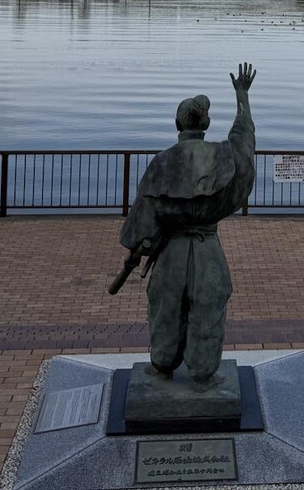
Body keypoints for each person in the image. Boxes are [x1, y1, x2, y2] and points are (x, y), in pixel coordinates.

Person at [114, 63, 256, 388]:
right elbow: (244, 147)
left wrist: (142, 246)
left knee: (165, 306)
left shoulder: (162, 162)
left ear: (177, 123)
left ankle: (161, 365)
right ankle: (204, 374)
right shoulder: (224, 157)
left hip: (170, 253)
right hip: (208, 250)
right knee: (207, 309)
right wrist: (242, 99)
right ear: (206, 124)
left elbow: (138, 228)